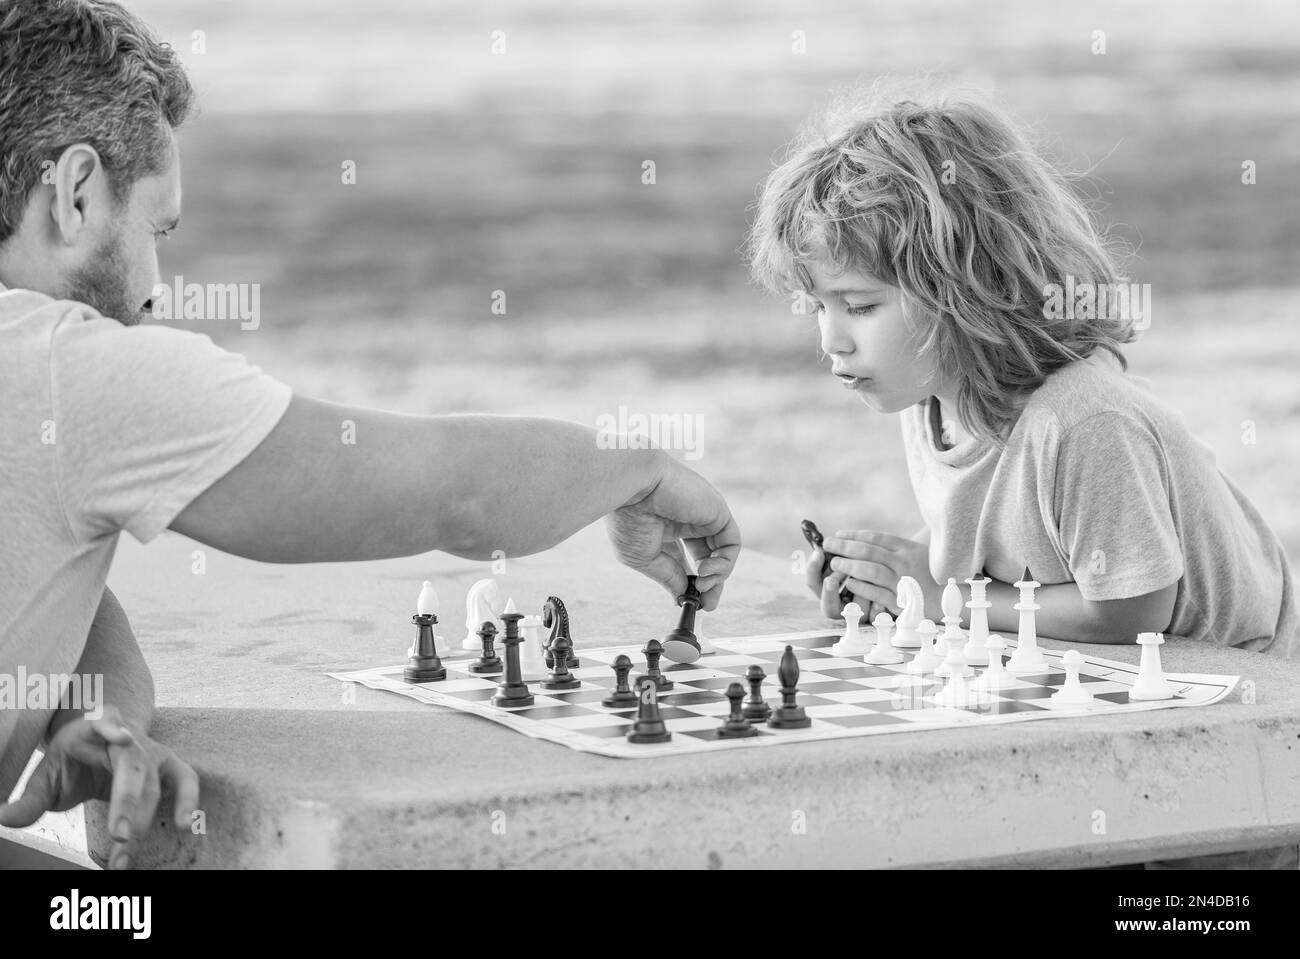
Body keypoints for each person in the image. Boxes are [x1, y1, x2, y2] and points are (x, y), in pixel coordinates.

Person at [0, 0, 740, 870]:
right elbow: (449, 491)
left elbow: (59, 580)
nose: (159, 282)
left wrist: (109, 713)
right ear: (77, 191)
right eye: (158, 230)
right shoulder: (65, 367)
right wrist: (639, 470)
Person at [746, 87, 1297, 868]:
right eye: (817, 308)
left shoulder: (1080, 420)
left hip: (1243, 739)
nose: (830, 341)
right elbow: (1006, 539)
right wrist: (888, 580)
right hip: (1122, 708)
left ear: (963, 288)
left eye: (859, 305)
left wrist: (943, 596)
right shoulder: (933, 402)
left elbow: (1131, 605)